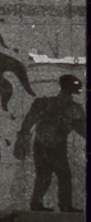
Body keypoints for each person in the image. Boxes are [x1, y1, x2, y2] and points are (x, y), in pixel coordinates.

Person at [14, 74, 86, 212]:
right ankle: (47, 203)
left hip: (55, 145)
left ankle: (50, 203)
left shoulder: (72, 108)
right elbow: (29, 122)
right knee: (50, 174)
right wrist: (22, 140)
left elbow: (82, 129)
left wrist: (23, 138)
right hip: (44, 144)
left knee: (57, 174)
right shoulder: (48, 104)